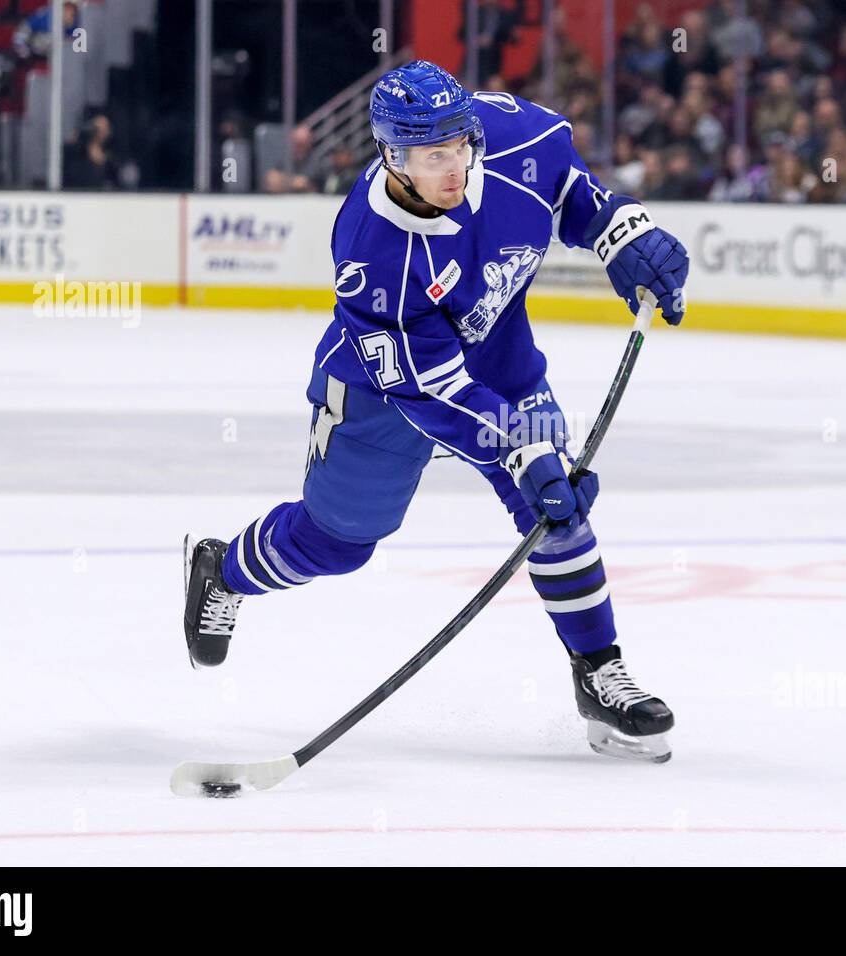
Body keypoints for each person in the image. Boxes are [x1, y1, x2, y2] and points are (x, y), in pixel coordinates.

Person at [182, 61, 689, 762]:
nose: (454, 169)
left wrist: (622, 234)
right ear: (392, 156)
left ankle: (599, 674)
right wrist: (519, 445)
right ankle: (224, 570)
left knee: (556, 509)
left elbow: (569, 186)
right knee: (339, 543)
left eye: (460, 149)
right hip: (383, 391)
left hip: (499, 360)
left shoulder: (511, 140)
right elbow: (433, 388)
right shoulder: (372, 251)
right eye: (432, 158)